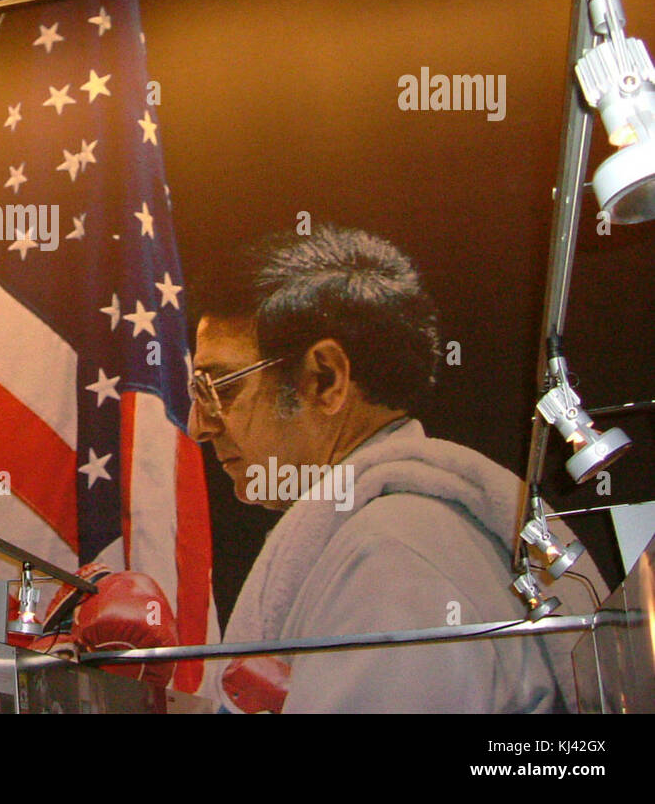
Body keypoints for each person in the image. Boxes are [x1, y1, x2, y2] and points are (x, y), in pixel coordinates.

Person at [186, 224, 607, 713]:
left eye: (218, 389)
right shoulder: (409, 532)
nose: (199, 427)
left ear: (326, 378)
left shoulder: (390, 551)